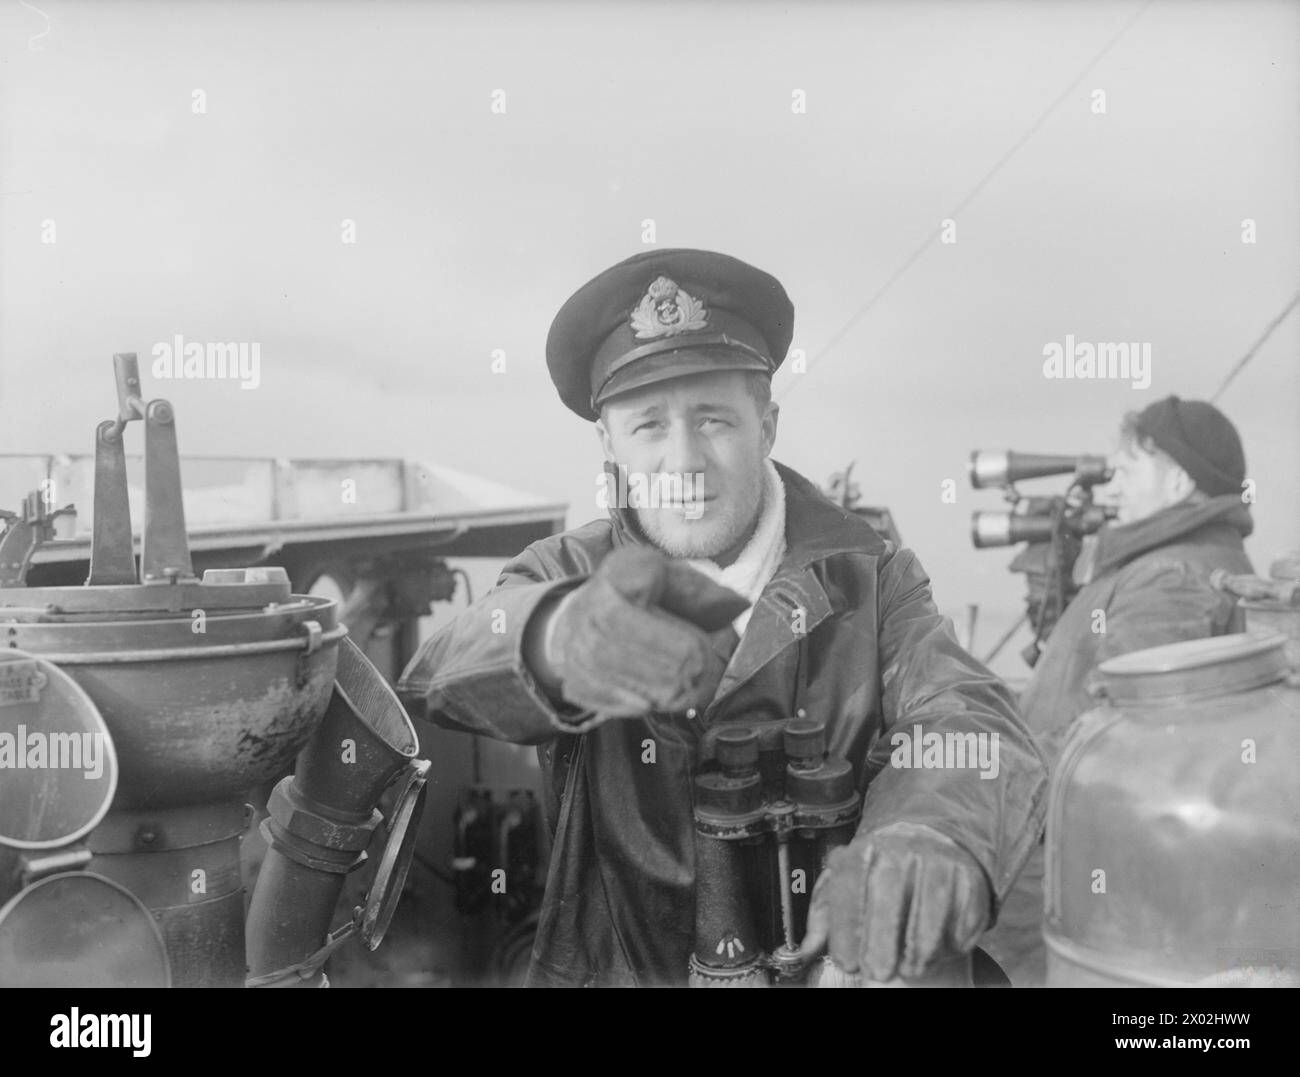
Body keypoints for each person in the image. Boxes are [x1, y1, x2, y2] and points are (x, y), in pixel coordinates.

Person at [398, 248, 1047, 987]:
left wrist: (932, 826)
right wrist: (553, 635)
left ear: (766, 426)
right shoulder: (561, 575)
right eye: (648, 427)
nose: (684, 462)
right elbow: (443, 668)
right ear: (608, 444)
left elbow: (969, 719)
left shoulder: (871, 576)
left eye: (713, 420)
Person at [980, 395, 1254, 986]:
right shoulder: (1167, 563)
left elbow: (1122, 738)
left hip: (1073, 871)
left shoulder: (1170, 578)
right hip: (1070, 852)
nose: (1114, 479)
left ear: (1178, 481)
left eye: (1130, 466)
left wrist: (986, 784)